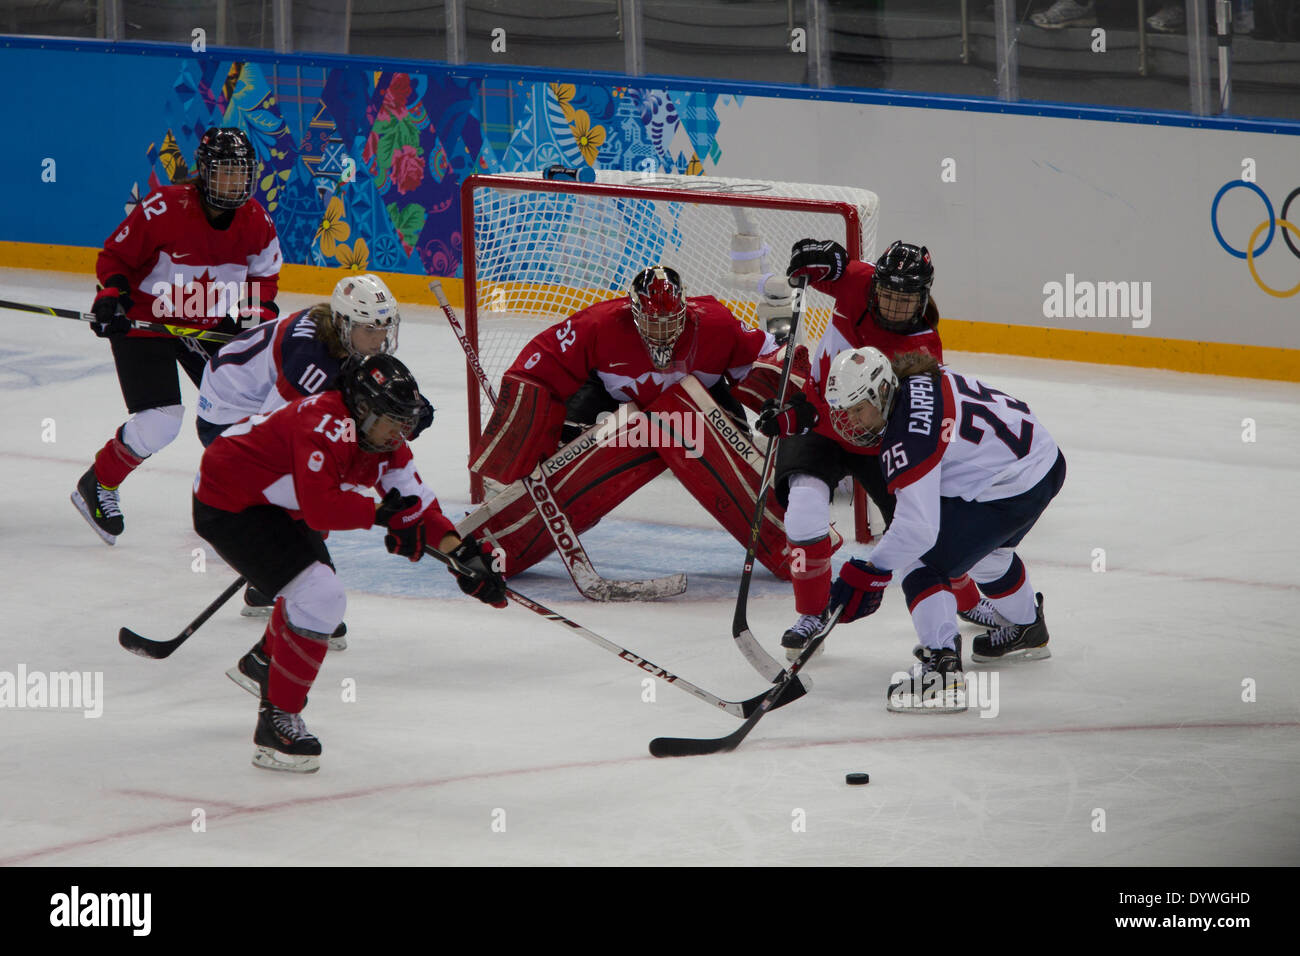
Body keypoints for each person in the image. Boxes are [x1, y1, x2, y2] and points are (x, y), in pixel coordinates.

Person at [193, 354, 507, 772]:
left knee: (312, 593)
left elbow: (417, 504)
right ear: (361, 409)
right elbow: (322, 511)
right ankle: (275, 724)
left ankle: (264, 663)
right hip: (229, 505)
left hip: (277, 504)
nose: (398, 434)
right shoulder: (322, 424)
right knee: (320, 596)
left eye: (404, 424)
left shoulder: (383, 441)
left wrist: (461, 554)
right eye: (390, 421)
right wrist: (380, 514)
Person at [461, 265, 803, 581]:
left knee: (742, 465)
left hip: (701, 398)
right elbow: (536, 371)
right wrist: (529, 446)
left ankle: (793, 539)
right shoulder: (597, 325)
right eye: (653, 322)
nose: (662, 331)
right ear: (633, 312)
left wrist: (783, 401)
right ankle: (507, 526)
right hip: (612, 398)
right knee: (562, 461)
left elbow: (768, 359)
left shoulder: (716, 323)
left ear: (685, 310)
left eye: (670, 321)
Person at [756, 239, 988, 658]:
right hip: (821, 421)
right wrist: (816, 261)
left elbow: (907, 423)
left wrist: (798, 417)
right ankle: (812, 616)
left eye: (906, 300)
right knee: (804, 512)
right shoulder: (859, 283)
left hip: (878, 442)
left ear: (924, 299)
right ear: (875, 285)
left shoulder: (921, 353)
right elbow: (825, 267)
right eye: (889, 295)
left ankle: (972, 601)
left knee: (920, 537)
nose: (895, 307)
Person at [823, 347, 1066, 713]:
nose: (851, 421)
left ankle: (942, 671)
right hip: (1043, 462)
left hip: (1012, 482)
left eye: (858, 409)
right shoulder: (915, 379)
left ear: (880, 392)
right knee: (990, 555)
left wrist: (869, 573)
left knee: (922, 562)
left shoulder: (908, 435)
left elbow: (917, 531)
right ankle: (1027, 628)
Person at [71, 127, 281, 546]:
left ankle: (248, 504)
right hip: (146, 323)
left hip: (206, 325)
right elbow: (115, 256)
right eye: (224, 173)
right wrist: (112, 297)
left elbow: (264, 281)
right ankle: (98, 483)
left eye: (241, 174)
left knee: (243, 414)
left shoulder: (257, 220)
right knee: (161, 421)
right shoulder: (165, 207)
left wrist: (252, 315)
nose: (234, 183)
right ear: (204, 174)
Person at [195, 272, 431, 635]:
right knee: (305, 483)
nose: (380, 338)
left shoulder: (339, 336)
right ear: (344, 323)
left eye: (384, 328)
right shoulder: (309, 364)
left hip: (249, 392)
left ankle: (271, 581)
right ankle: (281, 578)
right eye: (370, 329)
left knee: (315, 489)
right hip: (228, 411)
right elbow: (280, 431)